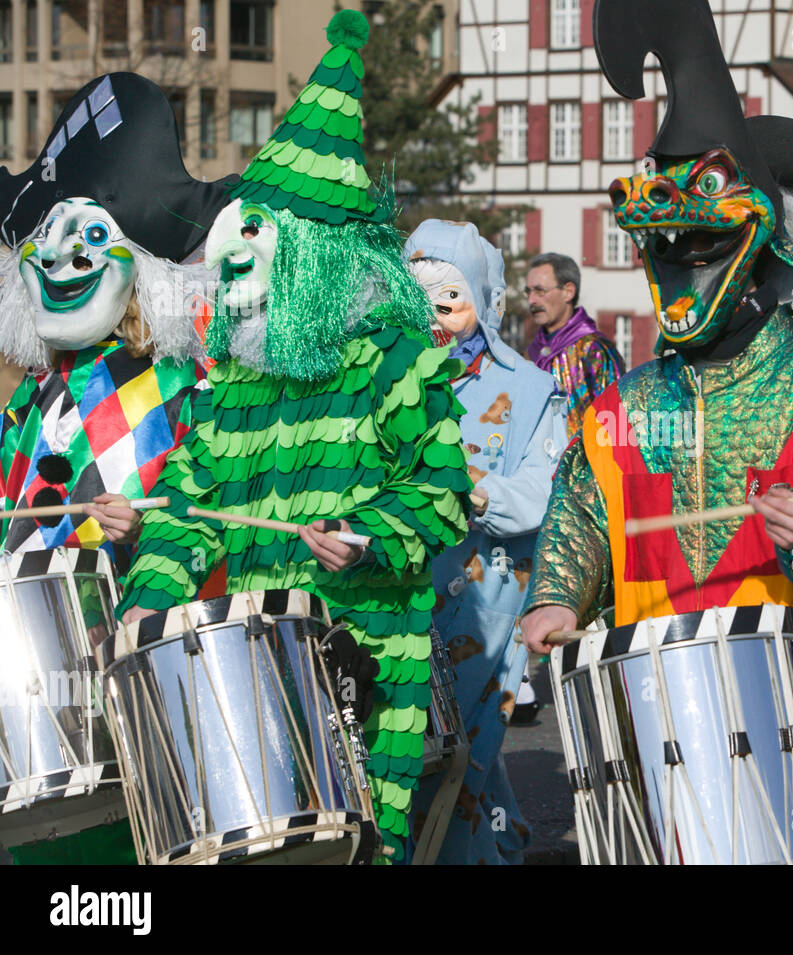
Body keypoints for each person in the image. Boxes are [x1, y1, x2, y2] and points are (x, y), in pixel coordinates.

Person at [520, 0, 793, 818]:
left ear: (756, 238)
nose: (682, 263)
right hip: (655, 721)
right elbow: (584, 513)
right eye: (666, 247)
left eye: (702, 245)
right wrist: (557, 593)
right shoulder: (625, 405)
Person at [116, 11, 469, 864]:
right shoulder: (235, 383)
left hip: (367, 666)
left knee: (361, 851)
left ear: (313, 256)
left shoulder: (394, 360)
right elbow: (183, 508)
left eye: (255, 246)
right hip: (260, 662)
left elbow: (442, 494)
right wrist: (139, 609)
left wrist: (367, 533)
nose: (232, 266)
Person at [0, 73, 232, 865]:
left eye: (92, 238)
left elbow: (214, 503)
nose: (63, 256)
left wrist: (154, 525)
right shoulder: (29, 402)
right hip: (36, 683)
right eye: (46, 241)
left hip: (144, 665)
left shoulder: (177, 383)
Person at [403, 219, 567, 865]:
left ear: (485, 298)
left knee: (459, 761)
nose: (434, 314)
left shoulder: (527, 387)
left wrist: (471, 487)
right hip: (401, 600)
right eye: (418, 298)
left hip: (487, 604)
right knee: (415, 760)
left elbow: (543, 493)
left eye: (450, 297)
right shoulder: (383, 383)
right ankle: (504, 843)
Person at [525, 251, 625, 436]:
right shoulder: (531, 352)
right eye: (528, 292)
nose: (532, 300)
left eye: (540, 291)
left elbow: (615, 423)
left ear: (568, 292)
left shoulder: (595, 349)